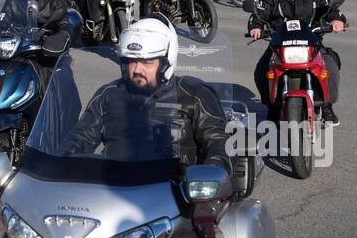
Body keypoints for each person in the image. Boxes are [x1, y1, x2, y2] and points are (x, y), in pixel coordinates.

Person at [60, 18, 230, 169]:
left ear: (166, 62)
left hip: (172, 191)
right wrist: (59, 161)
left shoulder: (194, 96)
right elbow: (81, 136)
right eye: (132, 61)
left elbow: (217, 143)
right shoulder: (109, 94)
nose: (137, 70)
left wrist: (212, 172)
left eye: (147, 62)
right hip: (114, 188)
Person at [248, 0, 346, 124]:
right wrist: (256, 26)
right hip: (280, 42)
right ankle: (272, 106)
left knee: (330, 65)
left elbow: (330, 9)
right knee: (262, 70)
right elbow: (260, 12)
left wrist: (337, 20)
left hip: (311, 41)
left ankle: (327, 106)